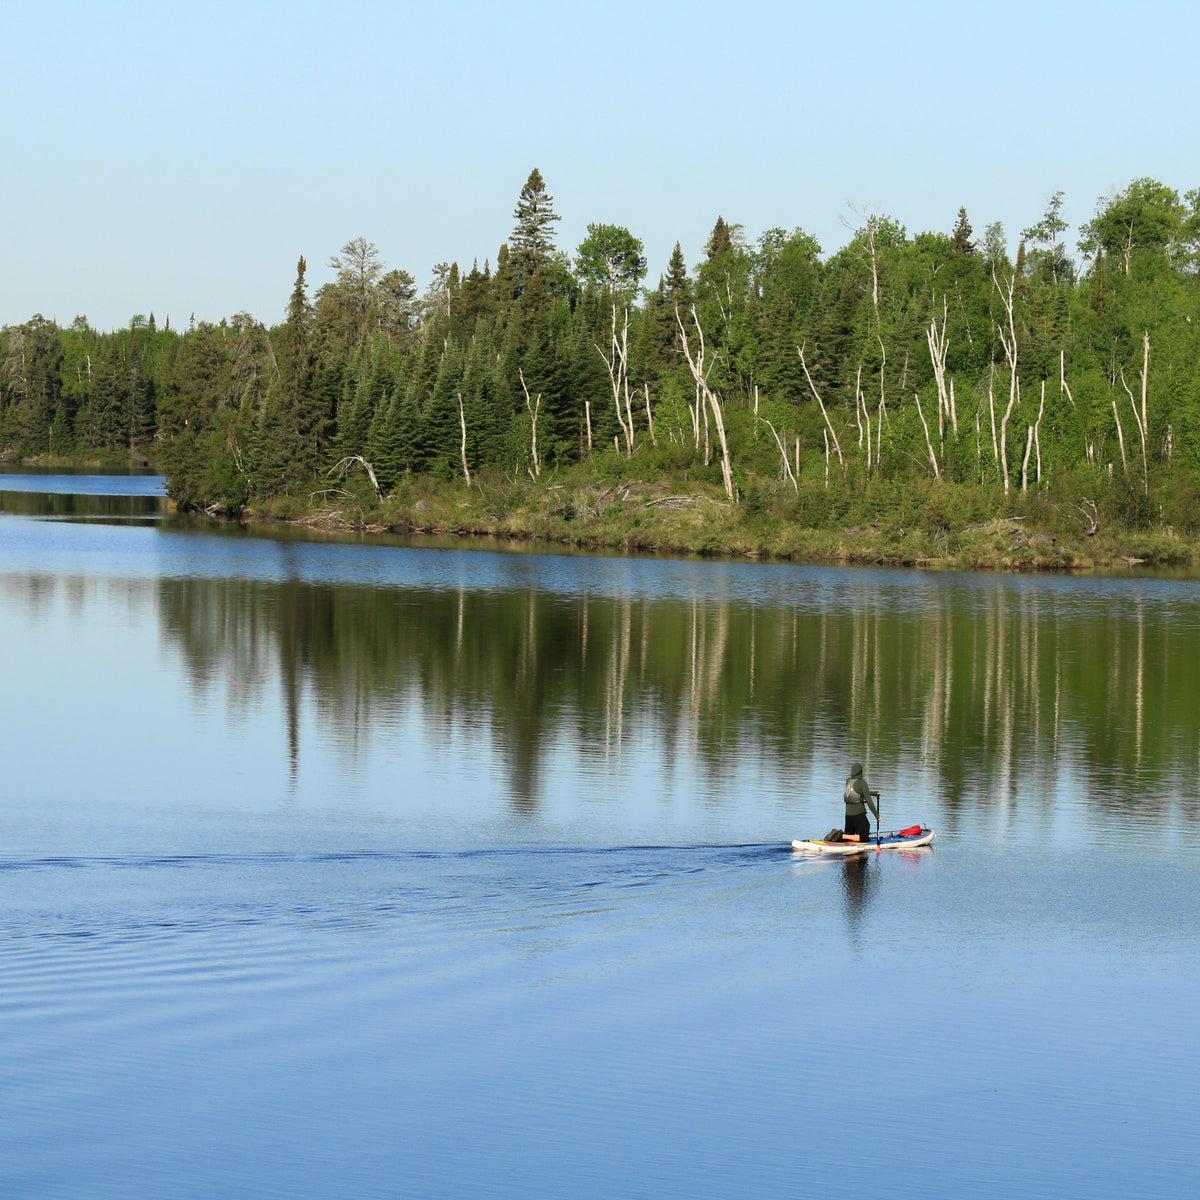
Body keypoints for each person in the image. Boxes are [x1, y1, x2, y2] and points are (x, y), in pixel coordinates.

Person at [840, 762, 880, 842]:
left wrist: (874, 793)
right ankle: (842, 836)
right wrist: (877, 815)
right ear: (860, 772)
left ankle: (844, 837)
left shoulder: (848, 781)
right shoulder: (862, 783)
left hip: (848, 815)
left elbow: (856, 793)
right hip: (858, 814)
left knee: (850, 835)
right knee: (864, 835)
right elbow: (869, 801)